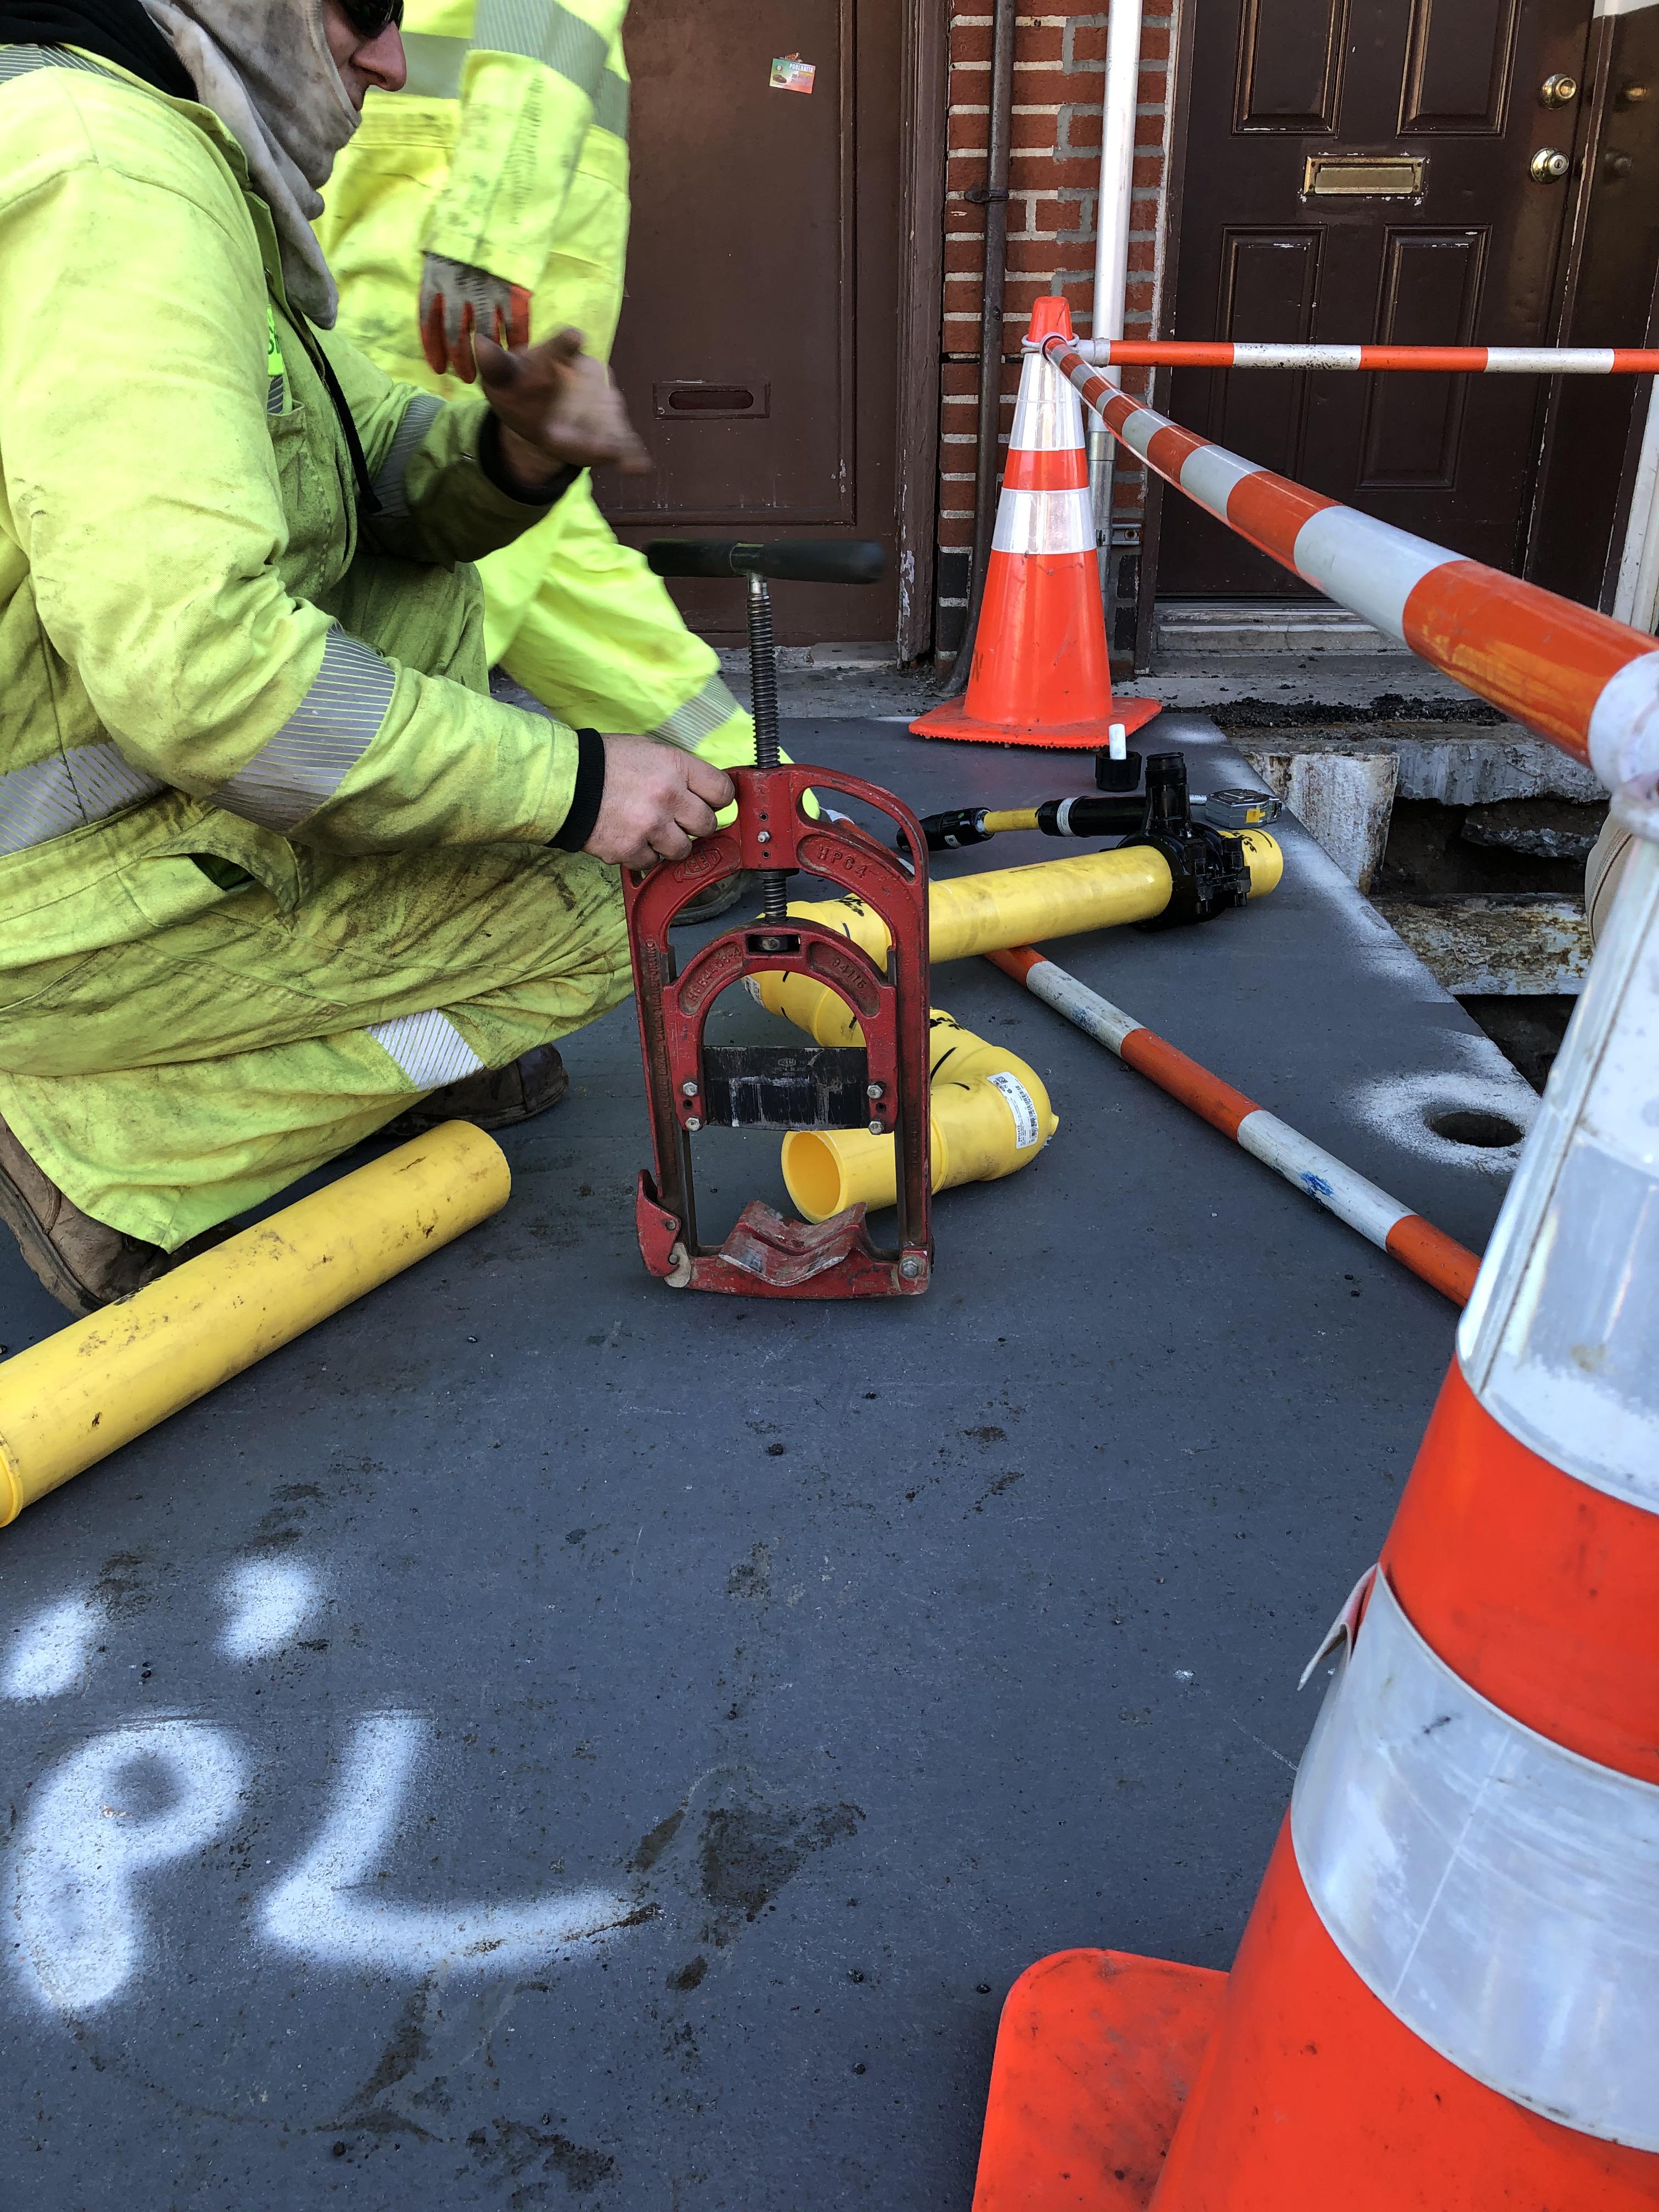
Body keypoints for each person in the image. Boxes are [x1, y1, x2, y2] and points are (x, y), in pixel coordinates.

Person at [0, 0, 731, 1317]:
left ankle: (380, 1038)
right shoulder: (111, 178)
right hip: (51, 913)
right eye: (365, 10)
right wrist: (580, 787)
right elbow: (207, 678)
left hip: (102, 849)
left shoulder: (159, 149)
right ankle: (96, 1151)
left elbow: (356, 450)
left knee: (415, 600)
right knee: (584, 927)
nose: (391, 62)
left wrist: (509, 451)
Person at [313, 0, 771, 896]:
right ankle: (755, 808)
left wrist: (488, 229)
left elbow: (551, 16)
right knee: (526, 546)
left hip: (446, 206)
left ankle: (368, 856)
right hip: (428, 194)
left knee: (409, 545)